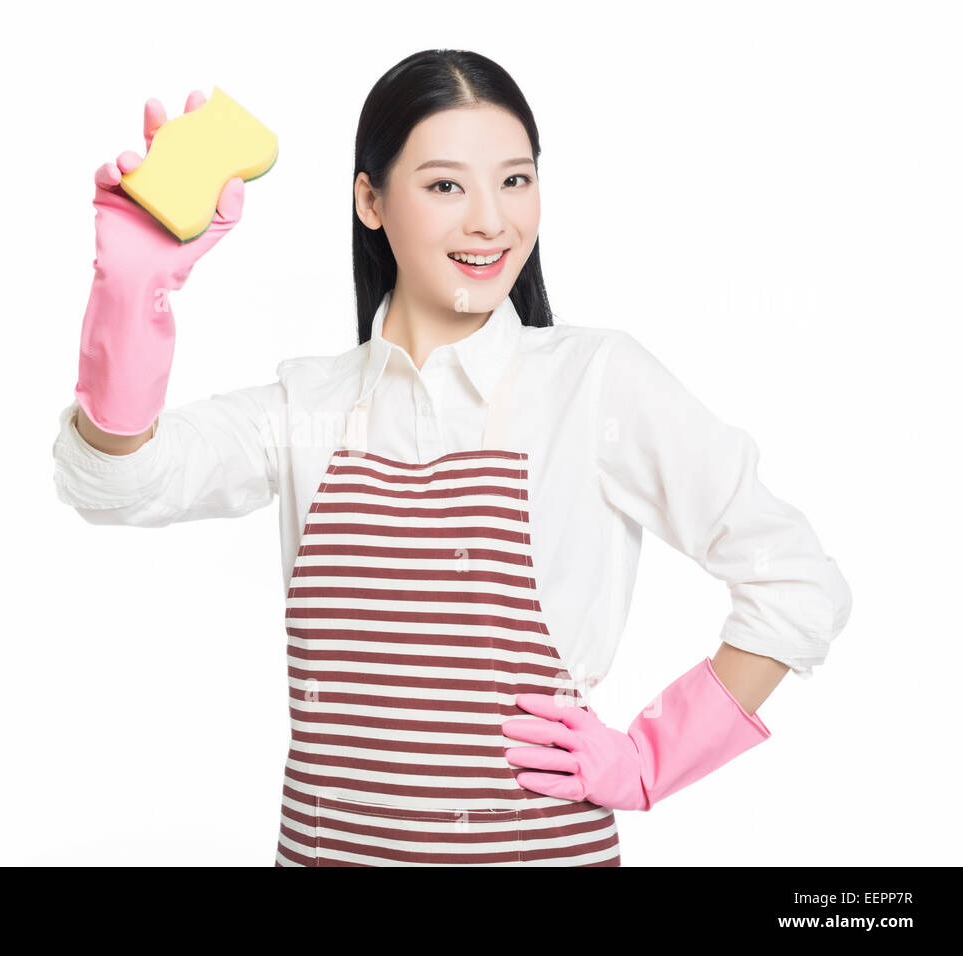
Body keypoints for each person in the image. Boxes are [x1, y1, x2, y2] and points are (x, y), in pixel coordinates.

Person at [52, 49, 852, 867]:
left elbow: (795, 580)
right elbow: (117, 483)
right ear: (370, 199)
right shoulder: (309, 407)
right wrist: (128, 292)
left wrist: (650, 760)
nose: (491, 222)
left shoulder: (595, 383)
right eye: (445, 185)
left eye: (515, 181)